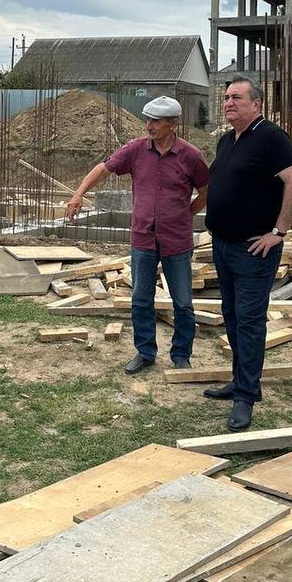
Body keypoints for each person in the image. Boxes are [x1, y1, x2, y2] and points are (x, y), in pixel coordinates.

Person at [66, 96, 209, 374]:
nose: (149, 126)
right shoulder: (135, 150)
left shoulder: (191, 156)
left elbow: (206, 191)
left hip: (177, 240)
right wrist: (79, 193)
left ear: (173, 123)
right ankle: (145, 352)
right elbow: (102, 169)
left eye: (155, 121)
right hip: (143, 239)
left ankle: (181, 354)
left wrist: (186, 214)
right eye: (148, 120)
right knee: (141, 299)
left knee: (182, 302)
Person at [204, 77, 292, 433]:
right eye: (226, 98)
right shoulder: (227, 140)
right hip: (223, 244)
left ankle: (246, 397)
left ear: (257, 104)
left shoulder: (270, 137)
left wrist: (278, 232)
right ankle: (240, 381)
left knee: (249, 321)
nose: (229, 103)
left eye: (237, 97)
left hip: (252, 249)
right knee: (231, 315)